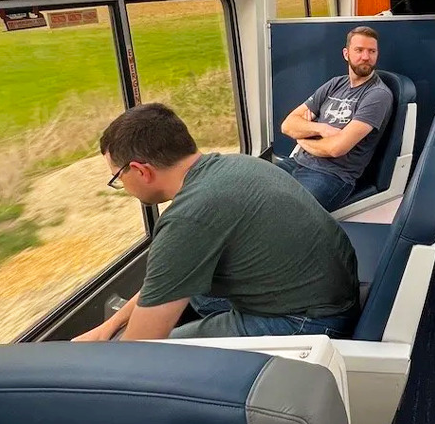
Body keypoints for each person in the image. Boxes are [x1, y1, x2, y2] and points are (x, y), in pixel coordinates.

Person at [74, 103, 359, 341]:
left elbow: (139, 347)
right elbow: (168, 278)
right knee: (194, 296)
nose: (121, 185)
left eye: (118, 178)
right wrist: (107, 328)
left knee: (168, 349)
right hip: (328, 292)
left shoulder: (190, 216)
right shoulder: (234, 165)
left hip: (307, 322)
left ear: (140, 170)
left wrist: (111, 349)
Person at [278, 26, 394, 210]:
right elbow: (287, 125)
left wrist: (302, 137)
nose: (366, 57)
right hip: (297, 162)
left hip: (331, 175)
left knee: (286, 211)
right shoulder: (335, 84)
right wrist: (320, 129)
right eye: (359, 50)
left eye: (372, 51)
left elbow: (336, 148)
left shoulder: (377, 95)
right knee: (252, 189)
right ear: (346, 53)